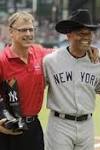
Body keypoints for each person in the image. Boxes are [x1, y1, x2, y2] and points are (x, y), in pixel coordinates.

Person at [43, 9, 100, 150]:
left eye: (89, 33)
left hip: (87, 124)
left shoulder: (97, 62)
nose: (86, 37)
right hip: (60, 124)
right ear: (68, 35)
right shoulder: (50, 61)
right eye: (80, 33)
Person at [0, 11, 53, 150]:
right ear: (11, 32)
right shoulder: (2, 60)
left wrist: (89, 50)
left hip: (33, 127)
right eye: (23, 30)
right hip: (7, 129)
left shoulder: (40, 53)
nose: (29, 34)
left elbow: (64, 54)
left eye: (31, 29)